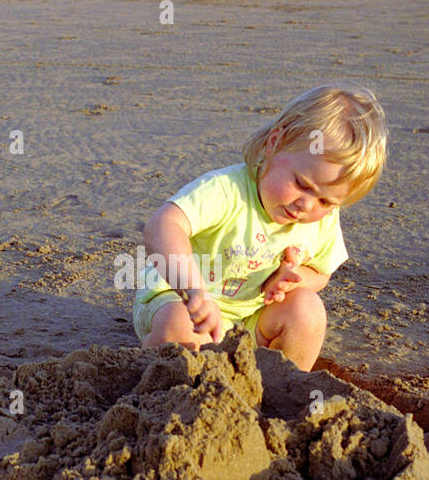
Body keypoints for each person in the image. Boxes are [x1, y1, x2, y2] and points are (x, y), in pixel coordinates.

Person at [134, 84, 387, 371]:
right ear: (275, 143)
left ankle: (282, 383)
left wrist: (294, 278)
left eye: (326, 200)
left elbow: (321, 273)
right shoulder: (227, 191)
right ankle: (171, 387)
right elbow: (162, 225)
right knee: (180, 328)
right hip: (179, 302)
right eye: (302, 184)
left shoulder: (323, 217)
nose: (307, 205)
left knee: (308, 310)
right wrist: (194, 291)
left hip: (250, 319)